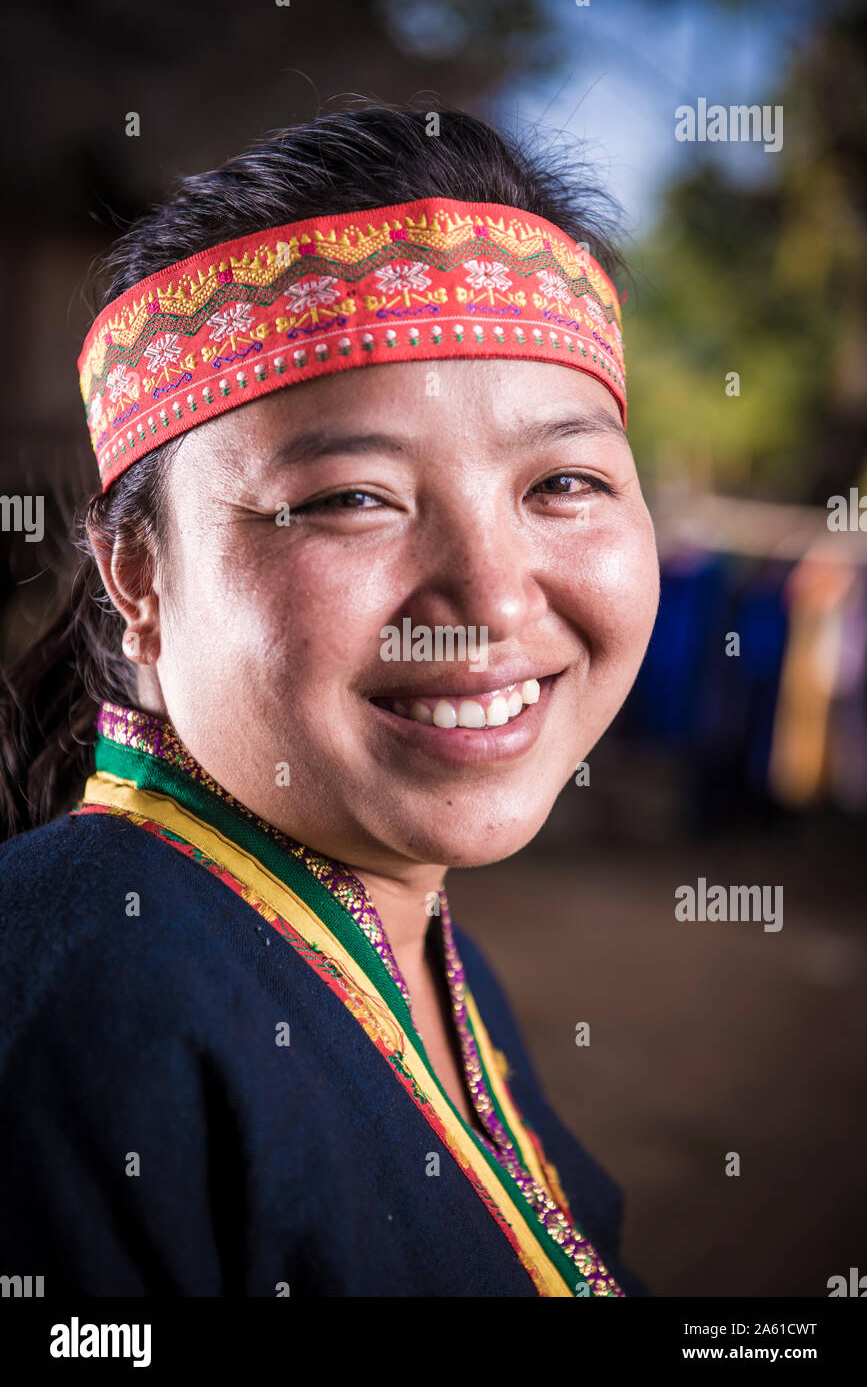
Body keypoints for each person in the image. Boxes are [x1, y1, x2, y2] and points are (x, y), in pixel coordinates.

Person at [0, 105, 659, 1297]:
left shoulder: (431, 957)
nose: (493, 600)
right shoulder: (66, 996)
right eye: (354, 497)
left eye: (564, 482)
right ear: (138, 574)